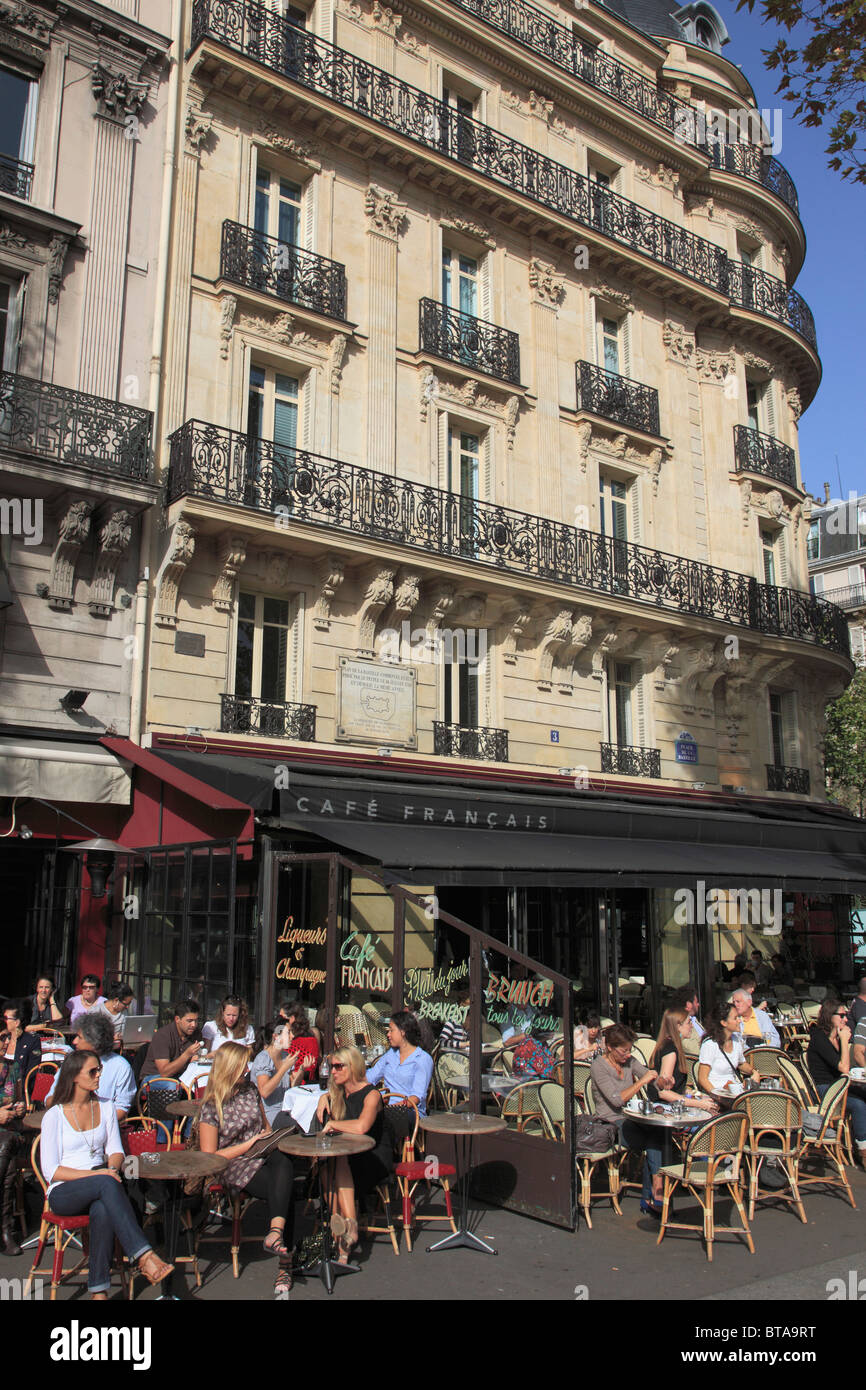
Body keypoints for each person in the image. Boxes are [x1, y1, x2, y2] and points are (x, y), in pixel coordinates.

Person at [41, 1050, 172, 1297]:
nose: (99, 1074)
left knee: (102, 1208)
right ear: (75, 1077)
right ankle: (143, 1255)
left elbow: (115, 1151)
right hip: (64, 1190)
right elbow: (52, 1171)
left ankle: (98, 1291)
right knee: (105, 1182)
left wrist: (111, 1169)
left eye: (99, 1069)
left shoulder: (105, 1107)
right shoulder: (54, 1116)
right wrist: (98, 1177)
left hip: (100, 1182)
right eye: (93, 1071)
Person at [197, 1041, 296, 1297]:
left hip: (261, 1151)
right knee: (285, 1189)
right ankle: (286, 1261)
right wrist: (247, 1145)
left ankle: (275, 1233)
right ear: (230, 1068)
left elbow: (264, 1126)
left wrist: (267, 1138)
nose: (248, 1069)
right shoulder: (211, 1106)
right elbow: (210, 1157)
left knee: (285, 1163)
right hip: (234, 1163)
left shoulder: (250, 1090)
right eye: (243, 1065)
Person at [622, 1009, 718, 1215]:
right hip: (666, 1110)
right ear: (677, 1027)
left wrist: (693, 1094)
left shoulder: (667, 1047)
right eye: (687, 1024)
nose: (691, 1027)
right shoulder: (671, 1050)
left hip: (662, 1110)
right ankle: (700, 1176)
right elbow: (664, 1092)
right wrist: (698, 1104)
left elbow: (670, 1086)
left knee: (657, 1141)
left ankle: (655, 1196)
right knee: (707, 1127)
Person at [315, 1046, 393, 1263]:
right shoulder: (338, 1095)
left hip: (374, 1158)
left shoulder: (372, 1094)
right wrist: (324, 1097)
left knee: (338, 1160)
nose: (333, 1071)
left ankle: (348, 1224)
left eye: (339, 1066)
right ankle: (341, 1232)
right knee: (325, 1165)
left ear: (353, 1066)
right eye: (332, 1067)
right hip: (347, 1158)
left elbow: (361, 1127)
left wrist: (333, 1124)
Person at [807, 999, 866, 1163]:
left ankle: (861, 1138)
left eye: (846, 1015)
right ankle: (863, 1151)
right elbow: (844, 1068)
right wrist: (845, 1041)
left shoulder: (836, 1038)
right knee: (859, 1105)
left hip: (838, 1086)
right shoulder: (819, 1038)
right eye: (841, 1015)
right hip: (824, 1089)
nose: (845, 1019)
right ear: (829, 1016)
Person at [46, 1014, 136, 1119]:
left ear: (95, 1041)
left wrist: (96, 1124)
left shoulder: (121, 1067)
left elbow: (122, 1109)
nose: (74, 1041)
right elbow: (49, 1100)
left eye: (79, 1037)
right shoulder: (72, 1062)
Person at [365, 1011, 434, 1148]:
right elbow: (370, 1077)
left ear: (403, 1032)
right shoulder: (391, 1054)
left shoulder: (422, 1059)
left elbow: (416, 1097)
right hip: (385, 1108)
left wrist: (389, 1108)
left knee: (380, 1120)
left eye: (391, 1030)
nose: (388, 1034)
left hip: (410, 1111)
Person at [589, 1024, 657, 1141]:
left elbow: (649, 1076)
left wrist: (662, 1081)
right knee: (651, 1138)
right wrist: (641, 1082)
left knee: (660, 1131)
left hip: (630, 1118)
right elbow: (617, 1100)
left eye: (630, 1050)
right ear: (610, 1047)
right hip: (609, 1122)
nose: (629, 1054)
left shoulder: (629, 1061)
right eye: (624, 1051)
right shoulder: (598, 1066)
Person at [0, 1001, 31, 1253]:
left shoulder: (13, 1068)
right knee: (7, 1162)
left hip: (10, 1130)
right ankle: (5, 1230)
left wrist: (19, 1108)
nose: (1, 1044)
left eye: (4, 1039)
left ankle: (5, 1230)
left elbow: (20, 1099)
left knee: (7, 1151)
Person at [250, 1019, 307, 1127]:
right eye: (288, 1033)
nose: (292, 1036)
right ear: (276, 1036)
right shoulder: (264, 1059)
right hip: (268, 1114)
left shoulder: (285, 1056)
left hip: (285, 1109)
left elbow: (293, 1087)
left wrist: (302, 1069)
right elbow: (264, 1092)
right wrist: (284, 1068)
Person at [697, 1003, 756, 1102]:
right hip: (718, 1095)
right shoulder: (710, 1044)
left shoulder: (736, 1040)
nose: (739, 1020)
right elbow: (702, 1078)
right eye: (735, 1018)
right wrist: (718, 1097)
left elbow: (741, 1063)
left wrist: (754, 1072)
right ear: (724, 1023)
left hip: (734, 1092)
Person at [139, 999, 203, 1082]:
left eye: (196, 1020)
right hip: (154, 1077)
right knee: (173, 1085)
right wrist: (187, 1054)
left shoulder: (196, 1033)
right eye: (189, 1021)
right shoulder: (163, 1035)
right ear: (177, 1019)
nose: (194, 1025)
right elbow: (164, 1073)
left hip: (182, 1076)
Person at [281, 1001, 320, 1080]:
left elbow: (309, 1071)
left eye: (282, 1017)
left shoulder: (309, 1040)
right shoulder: (279, 1036)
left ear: (292, 1018)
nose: (279, 1020)